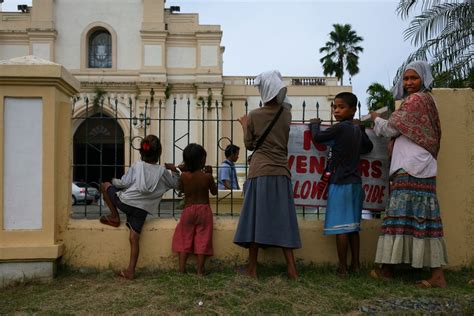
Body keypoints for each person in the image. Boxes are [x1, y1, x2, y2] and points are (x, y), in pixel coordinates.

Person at [370, 61, 448, 288]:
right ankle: (390, 269)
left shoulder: (416, 100)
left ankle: (432, 275)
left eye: (414, 78)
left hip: (412, 166)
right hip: (418, 165)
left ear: (423, 78)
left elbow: (391, 129)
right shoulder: (426, 101)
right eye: (406, 79)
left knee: (401, 215)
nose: (409, 83)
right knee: (416, 217)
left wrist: (375, 118)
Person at [233, 70, 301, 279]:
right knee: (285, 218)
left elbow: (250, 144)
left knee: (255, 218)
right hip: (281, 171)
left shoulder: (254, 115)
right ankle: (292, 269)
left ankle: (252, 268)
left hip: (260, 171)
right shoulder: (286, 114)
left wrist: (245, 126)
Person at [309, 92, 373, 276]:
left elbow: (318, 138)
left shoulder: (340, 128)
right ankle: (356, 265)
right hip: (355, 183)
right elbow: (368, 147)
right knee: (353, 227)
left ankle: (343, 268)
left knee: (341, 228)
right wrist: (360, 129)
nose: (336, 110)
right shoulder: (354, 130)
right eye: (334, 107)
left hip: (340, 183)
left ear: (353, 110)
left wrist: (314, 125)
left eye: (341, 107)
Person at [99, 135, 180, 280]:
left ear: (142, 152)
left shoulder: (137, 166)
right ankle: (130, 270)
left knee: (105, 186)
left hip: (126, 203)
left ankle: (114, 217)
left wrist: (112, 181)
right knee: (134, 238)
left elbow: (123, 184)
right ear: (159, 153)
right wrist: (173, 170)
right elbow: (177, 185)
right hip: (142, 209)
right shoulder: (162, 172)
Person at [171, 143, 217, 276]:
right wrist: (211, 174)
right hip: (204, 210)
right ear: (201, 160)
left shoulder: (184, 176)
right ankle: (200, 270)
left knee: (184, 237)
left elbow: (180, 190)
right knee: (203, 238)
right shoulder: (206, 177)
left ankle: (181, 269)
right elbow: (214, 192)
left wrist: (181, 171)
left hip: (188, 209)